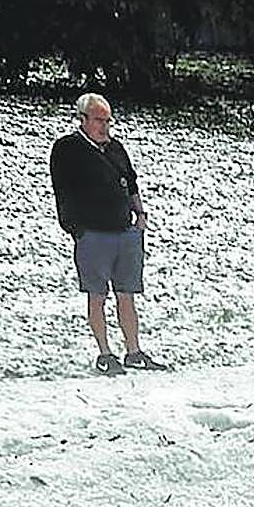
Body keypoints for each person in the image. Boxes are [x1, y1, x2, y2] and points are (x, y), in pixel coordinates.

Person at [49, 92, 168, 374]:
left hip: (125, 232)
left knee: (127, 294)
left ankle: (133, 351)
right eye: (99, 120)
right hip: (92, 234)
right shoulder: (68, 149)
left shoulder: (116, 149)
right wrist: (75, 227)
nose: (105, 126)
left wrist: (140, 215)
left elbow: (131, 182)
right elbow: (62, 189)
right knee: (97, 295)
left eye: (107, 120)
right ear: (83, 119)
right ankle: (105, 352)